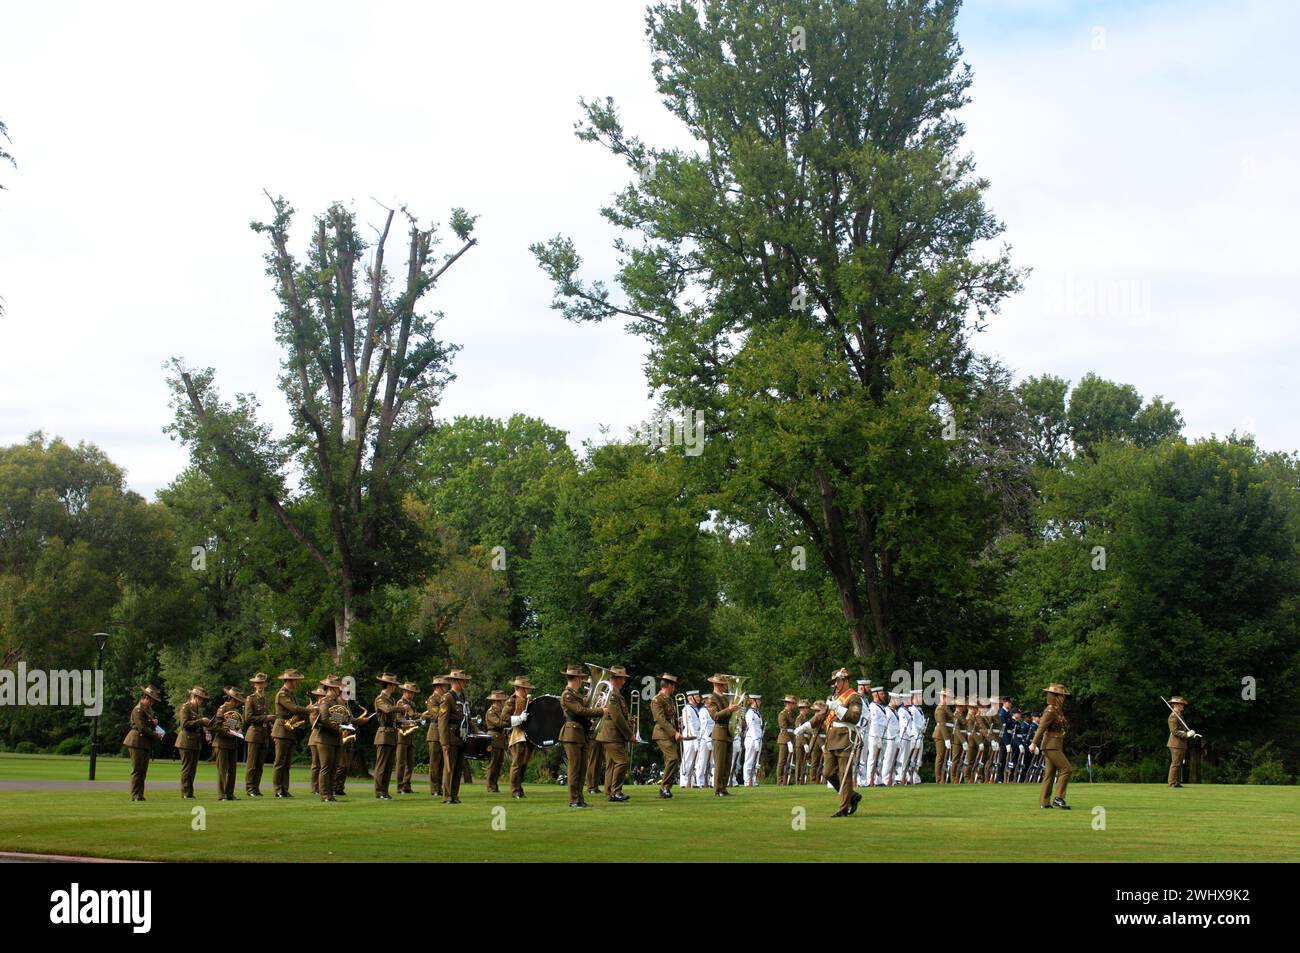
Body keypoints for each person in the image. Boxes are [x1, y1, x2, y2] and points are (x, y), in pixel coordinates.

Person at [558, 665, 606, 808]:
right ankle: (574, 800)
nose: (582, 681)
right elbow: (580, 710)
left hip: (580, 734)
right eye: (581, 678)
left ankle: (579, 799)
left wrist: (596, 697)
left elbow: (585, 705)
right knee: (574, 769)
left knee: (582, 768)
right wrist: (600, 711)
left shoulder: (576, 695)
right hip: (571, 734)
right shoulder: (567, 695)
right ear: (577, 679)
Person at [822, 668, 864, 818]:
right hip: (831, 739)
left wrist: (837, 708)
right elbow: (823, 715)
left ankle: (843, 808)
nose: (835, 685)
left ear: (845, 681)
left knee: (844, 775)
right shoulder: (833, 697)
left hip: (845, 739)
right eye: (834, 682)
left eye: (837, 681)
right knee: (827, 773)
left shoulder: (853, 697)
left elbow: (854, 717)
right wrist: (806, 726)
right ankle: (852, 795)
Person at [1031, 683, 1073, 809]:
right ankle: (1059, 798)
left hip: (1055, 744)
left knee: (1049, 774)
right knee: (1067, 769)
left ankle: (1044, 802)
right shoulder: (1050, 711)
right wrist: (1033, 743)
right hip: (1051, 745)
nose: (1063, 698)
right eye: (1061, 696)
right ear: (1055, 697)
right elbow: (1041, 728)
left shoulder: (1056, 709)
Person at [596, 665, 634, 801]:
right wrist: (630, 734)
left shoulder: (613, 693)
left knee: (611, 765)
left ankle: (609, 792)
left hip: (609, 734)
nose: (624, 681)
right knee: (622, 761)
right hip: (612, 735)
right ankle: (616, 791)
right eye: (622, 678)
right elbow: (617, 717)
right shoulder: (612, 694)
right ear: (616, 679)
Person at [438, 669, 476, 803]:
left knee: (458, 768)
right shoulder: (447, 697)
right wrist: (444, 742)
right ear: (454, 681)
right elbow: (442, 721)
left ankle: (454, 795)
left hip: (462, 737)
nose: (465, 683)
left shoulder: (464, 697)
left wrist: (477, 732)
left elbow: (468, 718)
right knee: (449, 768)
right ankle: (447, 796)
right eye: (462, 680)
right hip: (451, 736)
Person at [272, 669, 311, 798]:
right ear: (289, 680)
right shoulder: (282, 694)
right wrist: (309, 710)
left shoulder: (290, 694)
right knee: (279, 762)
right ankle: (278, 790)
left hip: (289, 730)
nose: (297, 682)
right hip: (282, 730)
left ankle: (284, 789)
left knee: (287, 763)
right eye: (296, 680)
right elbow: (294, 709)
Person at [123, 685, 163, 801]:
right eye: (152, 700)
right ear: (146, 697)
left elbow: (147, 725)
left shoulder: (147, 710)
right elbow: (142, 728)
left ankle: (139, 794)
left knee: (143, 770)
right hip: (136, 741)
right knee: (137, 769)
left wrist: (154, 724)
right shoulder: (138, 710)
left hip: (144, 743)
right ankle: (135, 795)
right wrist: (156, 734)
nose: (152, 703)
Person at [704, 674, 739, 797]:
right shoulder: (710, 698)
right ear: (718, 685)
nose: (726, 686)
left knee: (727, 763)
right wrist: (729, 709)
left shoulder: (725, 698)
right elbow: (715, 716)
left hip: (728, 732)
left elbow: (730, 714)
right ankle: (718, 789)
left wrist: (736, 712)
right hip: (719, 732)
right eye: (724, 684)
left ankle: (723, 788)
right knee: (719, 763)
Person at [314, 677, 347, 802]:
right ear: (331, 688)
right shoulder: (325, 701)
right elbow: (324, 719)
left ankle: (330, 793)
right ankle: (325, 794)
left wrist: (346, 724)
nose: (340, 690)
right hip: (325, 739)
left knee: (333, 767)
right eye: (338, 688)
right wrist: (337, 728)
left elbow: (338, 718)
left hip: (335, 739)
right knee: (326, 767)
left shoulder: (335, 702)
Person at [650, 673, 682, 798]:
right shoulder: (657, 700)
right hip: (662, 733)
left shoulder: (669, 699)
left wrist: (679, 725)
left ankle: (666, 788)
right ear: (669, 685)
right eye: (673, 685)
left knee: (673, 760)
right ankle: (664, 787)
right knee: (673, 758)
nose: (674, 688)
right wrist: (675, 733)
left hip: (669, 733)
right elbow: (661, 720)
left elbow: (670, 719)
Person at [176, 686, 211, 799]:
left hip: (195, 742)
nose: (201, 701)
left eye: (202, 699)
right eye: (200, 698)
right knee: (187, 768)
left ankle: (189, 792)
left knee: (193, 769)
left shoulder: (196, 709)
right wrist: (201, 721)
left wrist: (206, 731)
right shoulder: (185, 707)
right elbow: (184, 724)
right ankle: (186, 792)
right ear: (194, 696)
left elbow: (197, 725)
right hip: (186, 741)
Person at [372, 673, 402, 799]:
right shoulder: (380, 699)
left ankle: (385, 790)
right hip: (383, 735)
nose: (395, 687)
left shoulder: (391, 699)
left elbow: (393, 716)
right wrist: (401, 708)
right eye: (394, 685)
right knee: (382, 765)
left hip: (391, 735)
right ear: (389, 685)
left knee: (389, 766)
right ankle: (379, 791)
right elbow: (388, 710)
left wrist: (404, 723)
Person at [212, 687, 245, 800]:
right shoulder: (223, 708)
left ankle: (230, 794)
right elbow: (216, 726)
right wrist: (227, 732)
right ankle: (222, 795)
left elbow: (233, 725)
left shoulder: (236, 711)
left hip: (232, 743)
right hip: (222, 743)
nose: (237, 703)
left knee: (232, 770)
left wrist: (238, 730)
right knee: (222, 770)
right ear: (232, 699)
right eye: (236, 700)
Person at [243, 673, 272, 797]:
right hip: (254, 733)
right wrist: (266, 718)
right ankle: (250, 789)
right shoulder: (250, 698)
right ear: (254, 685)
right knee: (252, 763)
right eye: (258, 683)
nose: (260, 685)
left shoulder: (266, 699)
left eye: (262, 683)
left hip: (264, 733)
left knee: (260, 764)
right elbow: (248, 717)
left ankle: (256, 788)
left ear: (265, 684)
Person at [505, 676, 534, 799]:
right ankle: (514, 790)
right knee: (516, 764)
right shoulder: (512, 700)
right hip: (516, 735)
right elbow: (504, 718)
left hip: (526, 735)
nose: (528, 691)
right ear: (521, 688)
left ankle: (519, 788)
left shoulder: (527, 700)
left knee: (523, 764)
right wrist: (519, 718)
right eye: (526, 688)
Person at [422, 676, 449, 797]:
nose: (446, 688)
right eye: (444, 686)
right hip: (434, 733)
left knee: (442, 763)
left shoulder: (445, 698)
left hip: (442, 732)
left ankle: (440, 788)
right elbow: (436, 715)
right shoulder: (432, 699)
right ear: (438, 686)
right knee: (435, 763)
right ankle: (435, 788)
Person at [1166, 695, 1200, 788]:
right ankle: (1172, 783)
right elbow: (1174, 731)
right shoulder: (1173, 716)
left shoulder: (1179, 715)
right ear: (1175, 705)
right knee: (1175, 763)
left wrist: (1189, 733)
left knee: (1179, 764)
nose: (1183, 706)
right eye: (1181, 704)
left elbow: (1181, 729)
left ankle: (1176, 782)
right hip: (1175, 744)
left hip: (1181, 744)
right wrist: (1186, 735)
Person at [395, 681, 421, 795]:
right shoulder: (400, 703)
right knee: (401, 763)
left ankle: (407, 786)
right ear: (405, 692)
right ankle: (400, 786)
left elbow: (414, 716)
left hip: (411, 736)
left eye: (413, 693)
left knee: (410, 763)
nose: (412, 695)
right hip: (402, 735)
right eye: (410, 692)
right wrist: (412, 722)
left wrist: (420, 718)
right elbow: (399, 720)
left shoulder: (412, 704)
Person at [484, 689, 509, 793]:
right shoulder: (491, 712)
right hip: (493, 738)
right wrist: (511, 721)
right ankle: (490, 786)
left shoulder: (500, 711)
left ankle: (494, 786)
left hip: (500, 738)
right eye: (503, 700)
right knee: (493, 763)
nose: (504, 702)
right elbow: (498, 723)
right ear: (497, 701)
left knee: (498, 764)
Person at [680, 689, 701, 789]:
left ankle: (692, 781)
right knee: (687, 759)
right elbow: (690, 724)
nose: (699, 698)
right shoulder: (687, 709)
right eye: (696, 696)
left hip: (696, 737)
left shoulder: (696, 709)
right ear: (691, 698)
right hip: (690, 737)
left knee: (695, 761)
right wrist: (695, 737)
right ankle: (684, 781)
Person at [742, 694, 764, 787]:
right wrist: (755, 739)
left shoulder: (757, 712)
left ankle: (753, 780)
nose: (760, 702)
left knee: (756, 761)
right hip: (752, 738)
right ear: (753, 701)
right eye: (758, 701)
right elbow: (751, 727)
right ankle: (747, 781)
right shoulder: (750, 713)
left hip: (758, 738)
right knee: (749, 760)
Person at [695, 689, 715, 788]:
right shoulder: (703, 711)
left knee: (712, 762)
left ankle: (712, 781)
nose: (713, 700)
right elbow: (704, 726)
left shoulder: (712, 710)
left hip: (712, 738)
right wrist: (707, 739)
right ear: (706, 700)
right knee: (702, 761)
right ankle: (700, 782)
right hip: (705, 739)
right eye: (711, 699)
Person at [932, 688, 952, 784]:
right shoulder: (940, 708)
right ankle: (939, 778)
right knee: (940, 757)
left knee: (944, 757)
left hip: (945, 735)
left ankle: (943, 777)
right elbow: (942, 724)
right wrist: (946, 739)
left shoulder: (945, 707)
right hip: (941, 735)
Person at [776, 695, 797, 784]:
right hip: (784, 740)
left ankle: (785, 779)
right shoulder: (782, 714)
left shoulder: (789, 714)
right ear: (787, 704)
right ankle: (780, 780)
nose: (793, 705)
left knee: (787, 761)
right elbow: (784, 729)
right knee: (782, 760)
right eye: (792, 703)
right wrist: (788, 742)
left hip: (790, 739)